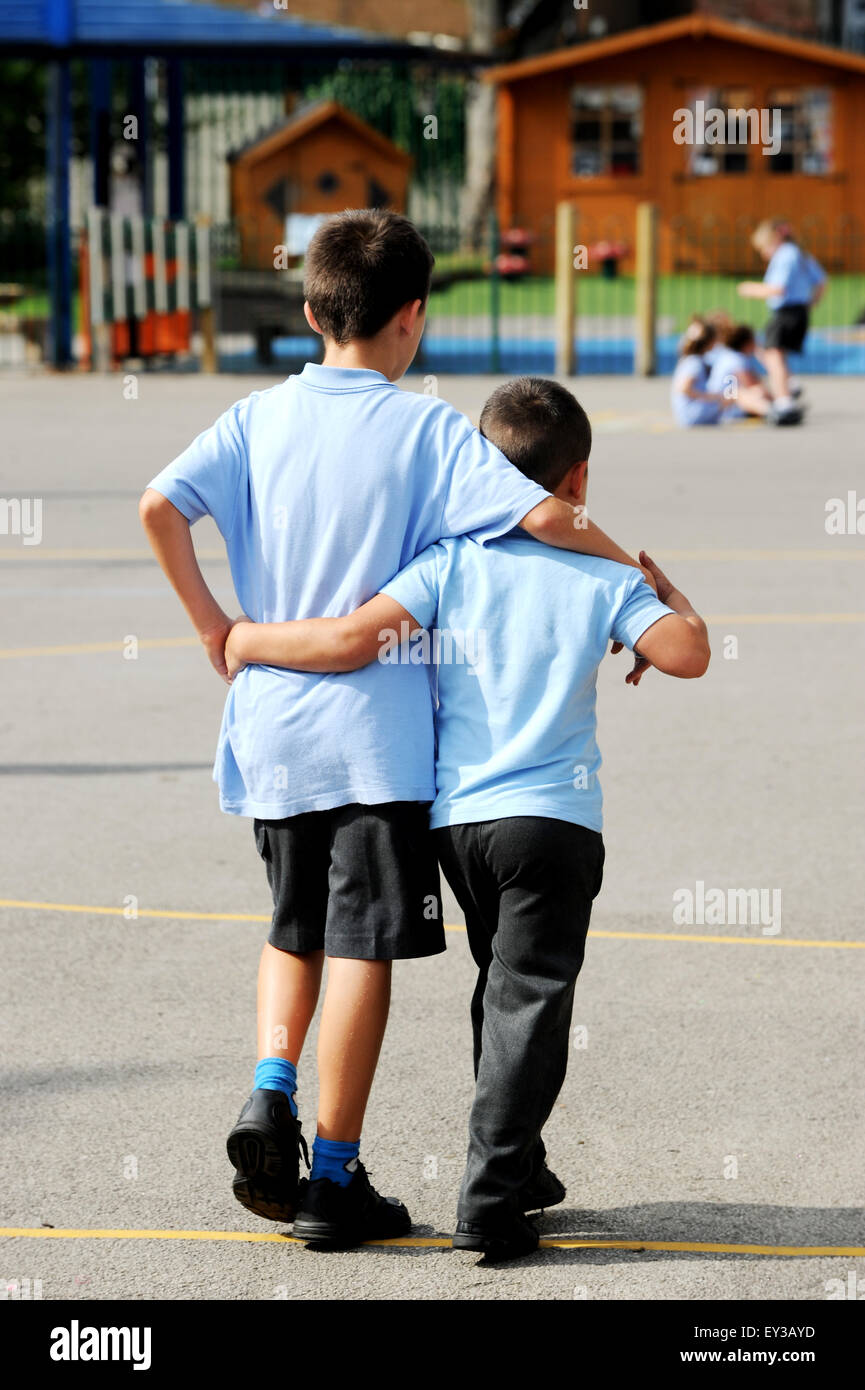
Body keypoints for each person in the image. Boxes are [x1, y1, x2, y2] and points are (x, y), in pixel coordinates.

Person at [138, 211, 652, 1251]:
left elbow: (158, 506)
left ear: (310, 307)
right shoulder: (427, 429)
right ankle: (333, 1175)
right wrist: (630, 566)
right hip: (376, 743)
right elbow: (541, 515)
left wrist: (217, 627)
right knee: (362, 944)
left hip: (272, 717)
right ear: (411, 319)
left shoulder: (250, 419)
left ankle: (268, 1088)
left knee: (291, 928)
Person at [225, 377, 710, 1261]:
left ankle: (520, 1169)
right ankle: (490, 1198)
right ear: (580, 479)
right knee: (532, 1001)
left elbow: (347, 640)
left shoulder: (450, 562)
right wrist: (665, 598)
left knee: (500, 989)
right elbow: (687, 657)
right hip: (553, 822)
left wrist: (243, 640)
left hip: (458, 826)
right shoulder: (599, 572)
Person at [738, 219, 826, 420]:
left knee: (772, 354)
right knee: (774, 351)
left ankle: (784, 401)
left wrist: (750, 289)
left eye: (764, 248)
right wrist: (811, 302)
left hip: (787, 311)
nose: (763, 254)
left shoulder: (785, 255)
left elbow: (778, 288)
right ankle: (790, 385)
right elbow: (822, 280)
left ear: (775, 239)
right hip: (798, 310)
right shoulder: (799, 253)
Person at [706, 323, 794, 423]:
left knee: (749, 393)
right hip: (723, 405)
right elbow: (751, 384)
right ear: (747, 343)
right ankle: (774, 412)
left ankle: (775, 411)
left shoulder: (729, 356)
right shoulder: (737, 359)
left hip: (721, 401)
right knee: (751, 393)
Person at [671, 318, 723, 426]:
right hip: (691, 414)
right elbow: (684, 388)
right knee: (732, 397)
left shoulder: (691, 360)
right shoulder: (694, 363)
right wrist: (708, 397)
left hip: (687, 414)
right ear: (709, 342)